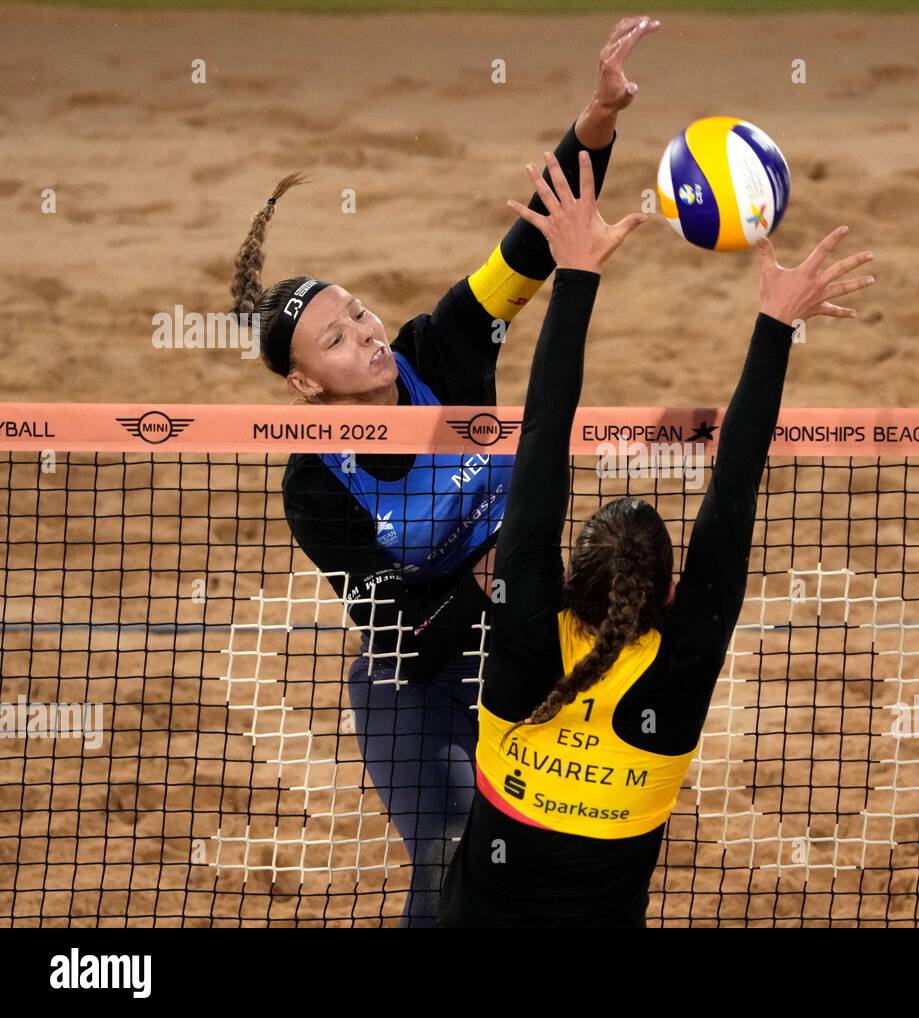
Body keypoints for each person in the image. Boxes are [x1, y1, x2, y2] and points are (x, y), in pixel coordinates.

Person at [225, 16, 661, 927]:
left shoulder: (446, 348)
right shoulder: (315, 485)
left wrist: (597, 120)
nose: (367, 335)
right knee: (448, 852)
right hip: (415, 673)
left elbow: (530, 248)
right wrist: (485, 574)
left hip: (523, 634)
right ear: (305, 384)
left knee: (562, 845)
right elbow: (403, 634)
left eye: (358, 311)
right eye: (337, 339)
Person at [439, 145, 875, 927]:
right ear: (669, 592)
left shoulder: (530, 622)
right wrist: (775, 324)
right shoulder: (682, 658)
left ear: (568, 578)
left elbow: (542, 433)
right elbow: (733, 486)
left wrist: (575, 274)